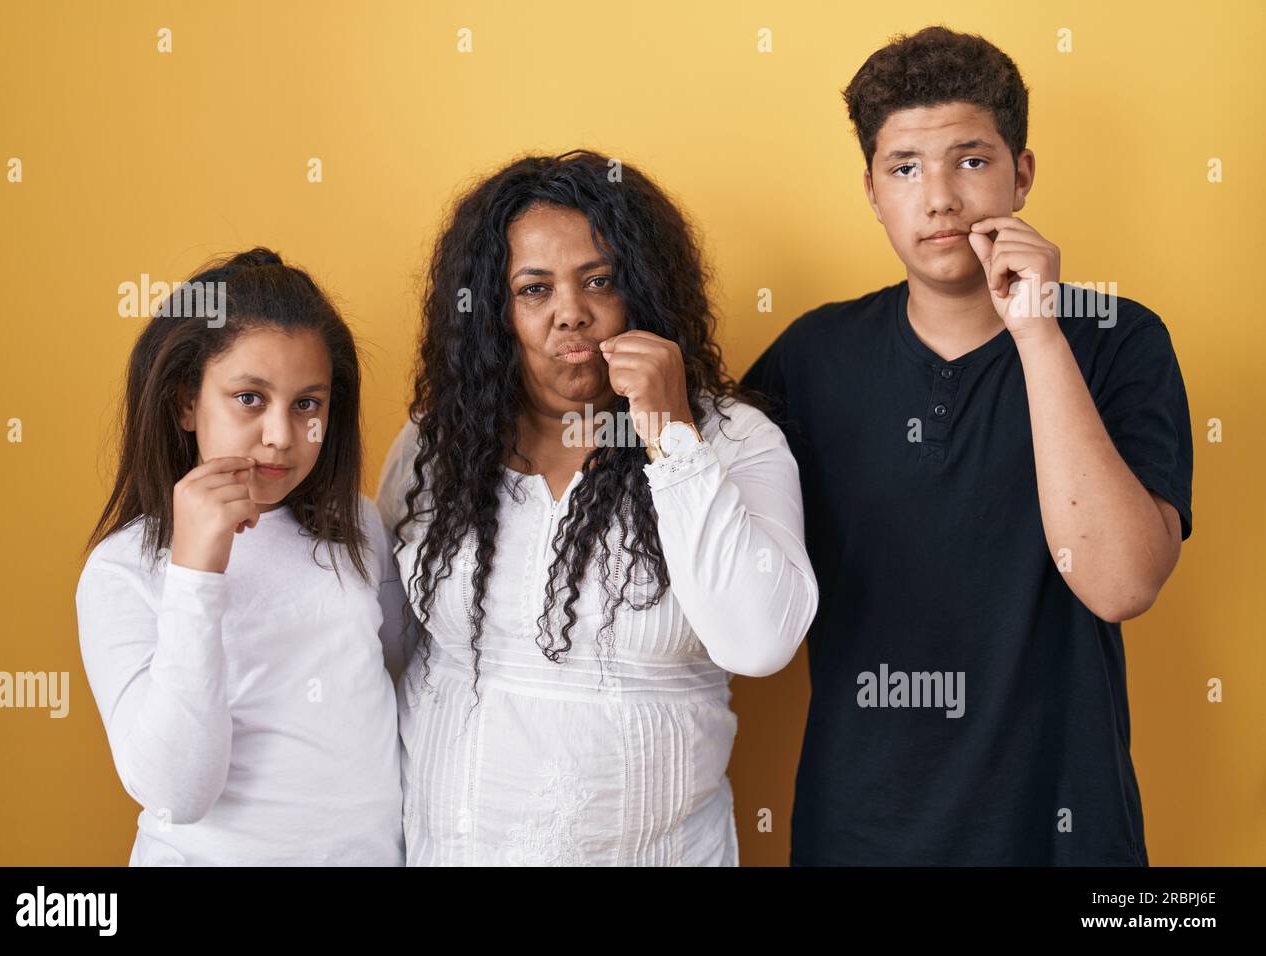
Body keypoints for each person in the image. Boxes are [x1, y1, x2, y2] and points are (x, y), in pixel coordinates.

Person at [742, 26, 1193, 866]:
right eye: (904, 168)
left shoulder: (1120, 340)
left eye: (971, 160)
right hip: (859, 832)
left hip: (1065, 832)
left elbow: (1123, 583)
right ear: (873, 191)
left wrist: (1039, 336)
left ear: (1022, 173)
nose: (939, 197)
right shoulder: (812, 358)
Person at [377, 149, 818, 866]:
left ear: (642, 292)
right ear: (494, 311)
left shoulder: (735, 442)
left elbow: (761, 643)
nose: (570, 315)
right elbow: (389, 648)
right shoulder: (437, 448)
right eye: (533, 289)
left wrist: (672, 435)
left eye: (599, 281)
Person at [76, 248, 406, 865]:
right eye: (249, 398)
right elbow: (178, 792)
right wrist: (195, 571)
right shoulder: (124, 570)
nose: (281, 434)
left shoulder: (358, 527)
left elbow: (405, 681)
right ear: (184, 404)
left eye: (308, 404)